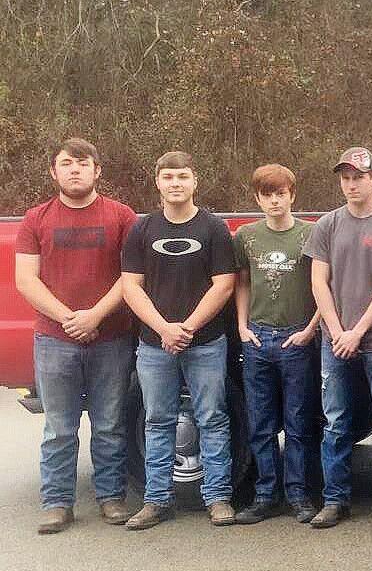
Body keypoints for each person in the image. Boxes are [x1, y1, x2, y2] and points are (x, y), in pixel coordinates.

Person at [15, 138, 138, 534]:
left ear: (97, 171)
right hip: (54, 339)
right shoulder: (36, 219)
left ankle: (111, 497)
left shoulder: (122, 216)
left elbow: (131, 277)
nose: (75, 170)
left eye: (83, 163)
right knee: (58, 427)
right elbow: (25, 280)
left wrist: (95, 316)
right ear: (54, 172)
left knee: (110, 424)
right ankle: (56, 503)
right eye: (66, 164)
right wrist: (70, 318)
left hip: (111, 337)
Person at [120, 151, 238, 530]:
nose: (175, 183)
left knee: (213, 419)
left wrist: (186, 327)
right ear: (158, 182)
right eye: (168, 176)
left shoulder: (214, 228)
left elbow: (225, 284)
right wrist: (164, 329)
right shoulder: (141, 229)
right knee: (157, 421)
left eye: (182, 176)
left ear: (194, 181)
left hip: (205, 342)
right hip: (154, 346)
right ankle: (156, 501)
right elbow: (131, 287)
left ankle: (218, 498)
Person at [302, 146, 372, 529]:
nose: (351, 185)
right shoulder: (327, 225)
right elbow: (319, 280)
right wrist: (336, 331)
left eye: (358, 177)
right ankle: (335, 500)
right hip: (335, 341)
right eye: (345, 178)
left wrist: (357, 332)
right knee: (334, 421)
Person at [232, 164, 321, 525]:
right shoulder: (246, 236)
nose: (274, 200)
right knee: (260, 423)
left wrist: (311, 329)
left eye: (280, 193)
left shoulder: (311, 234)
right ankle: (266, 494)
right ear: (257, 198)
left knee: (298, 421)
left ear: (292, 195)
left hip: (296, 338)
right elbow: (242, 283)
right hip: (257, 338)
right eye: (267, 194)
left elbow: (321, 285)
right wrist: (242, 327)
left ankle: (298, 494)